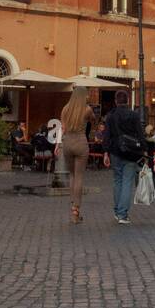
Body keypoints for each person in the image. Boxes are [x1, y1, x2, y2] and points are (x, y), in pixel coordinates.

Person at [104, 90, 145, 225]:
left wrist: (106, 152)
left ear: (116, 101)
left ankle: (117, 211)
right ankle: (123, 214)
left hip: (115, 151)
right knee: (127, 182)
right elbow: (140, 134)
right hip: (131, 153)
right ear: (128, 100)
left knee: (117, 181)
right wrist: (143, 150)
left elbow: (107, 136)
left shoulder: (110, 116)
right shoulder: (134, 115)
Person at [58, 85, 94, 224]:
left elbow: (63, 128)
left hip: (67, 143)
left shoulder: (65, 109)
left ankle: (73, 208)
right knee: (79, 177)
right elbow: (93, 119)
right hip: (80, 143)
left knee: (72, 175)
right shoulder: (87, 109)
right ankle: (75, 210)